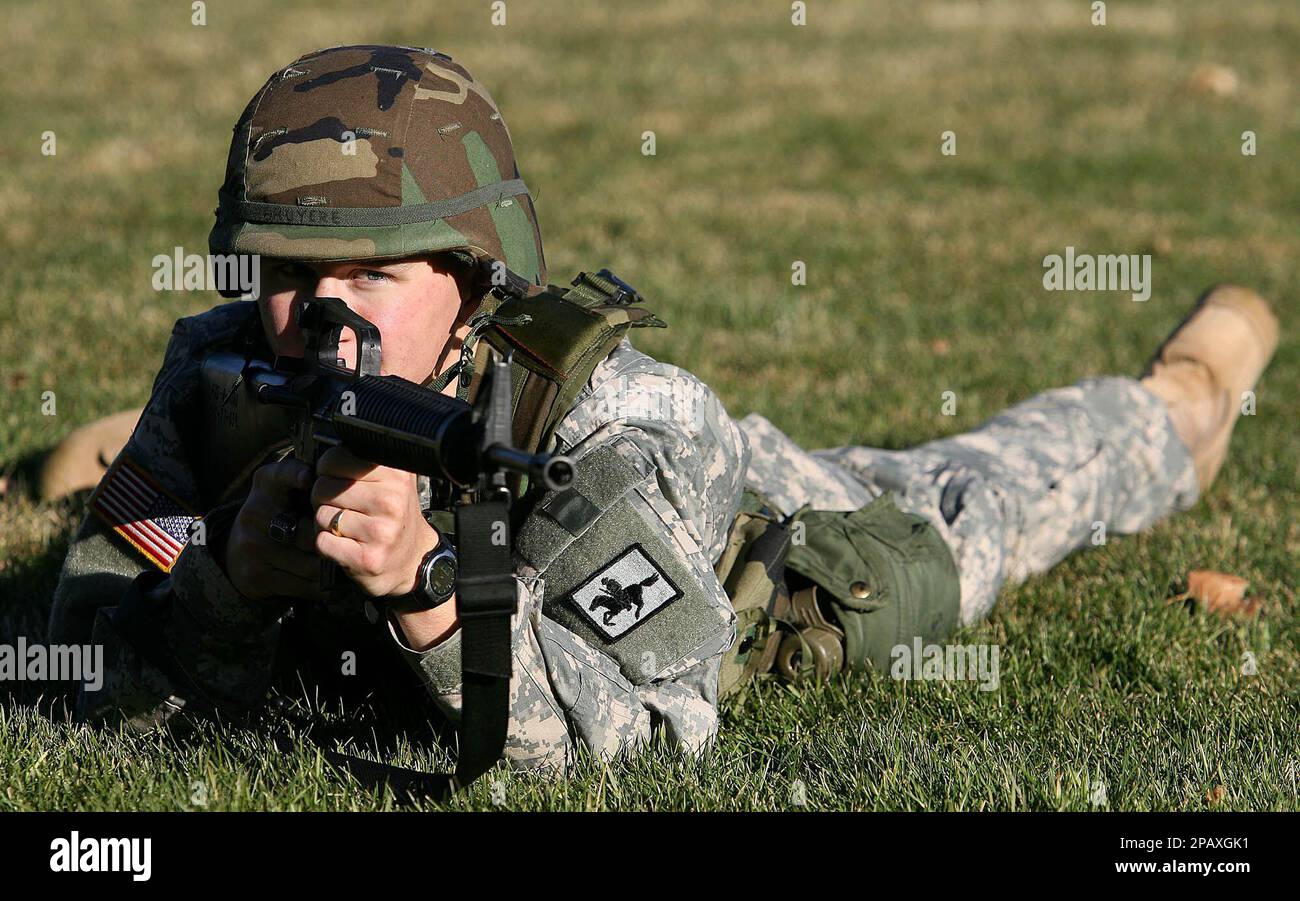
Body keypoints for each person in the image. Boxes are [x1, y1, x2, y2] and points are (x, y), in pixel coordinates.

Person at [47, 45, 1278, 772]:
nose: (322, 320)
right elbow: (88, 661)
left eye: (370, 275)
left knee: (1010, 489)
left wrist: (431, 598)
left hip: (764, 534)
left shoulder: (617, 421)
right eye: (287, 278)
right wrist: (228, 586)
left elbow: (636, 737)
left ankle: (1187, 390)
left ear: (476, 278)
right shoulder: (228, 369)